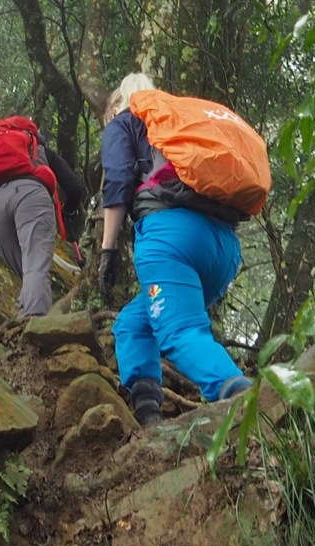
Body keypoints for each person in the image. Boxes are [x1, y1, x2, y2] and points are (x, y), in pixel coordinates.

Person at [98, 72, 251, 426]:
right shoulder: (178, 125)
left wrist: (108, 251)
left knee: (179, 331)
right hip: (223, 249)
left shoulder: (126, 121)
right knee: (133, 324)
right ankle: (149, 420)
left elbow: (118, 181)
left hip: (171, 238)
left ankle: (250, 408)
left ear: (119, 102)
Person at [0, 117, 88, 318]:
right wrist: (69, 211)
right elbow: (76, 189)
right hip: (29, 195)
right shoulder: (37, 147)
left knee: (28, 272)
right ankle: (36, 330)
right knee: (36, 267)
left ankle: (22, 320)